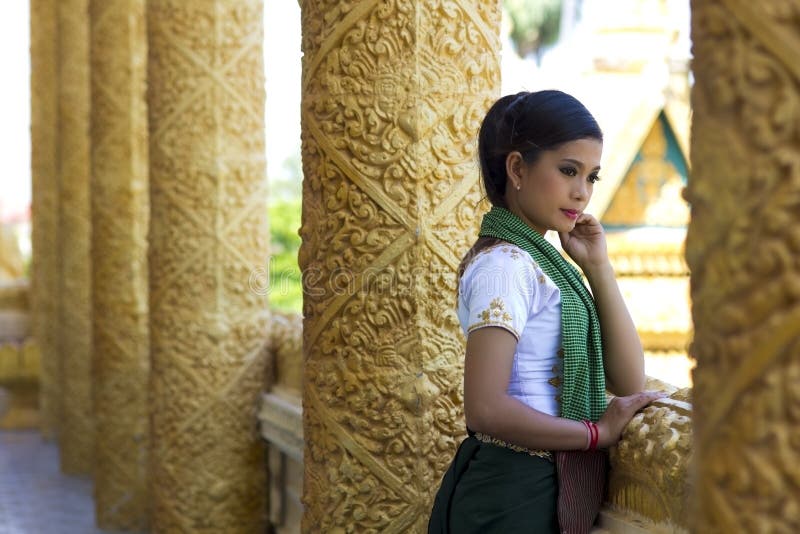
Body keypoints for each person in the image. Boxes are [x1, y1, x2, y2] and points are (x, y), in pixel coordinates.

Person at [428, 90, 665, 533]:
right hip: (509, 486)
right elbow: (484, 407)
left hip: (537, 481)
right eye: (568, 170)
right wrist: (595, 434)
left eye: (593, 176)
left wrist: (598, 267)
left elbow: (628, 379)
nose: (583, 192)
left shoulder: (544, 264)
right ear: (517, 168)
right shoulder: (505, 265)